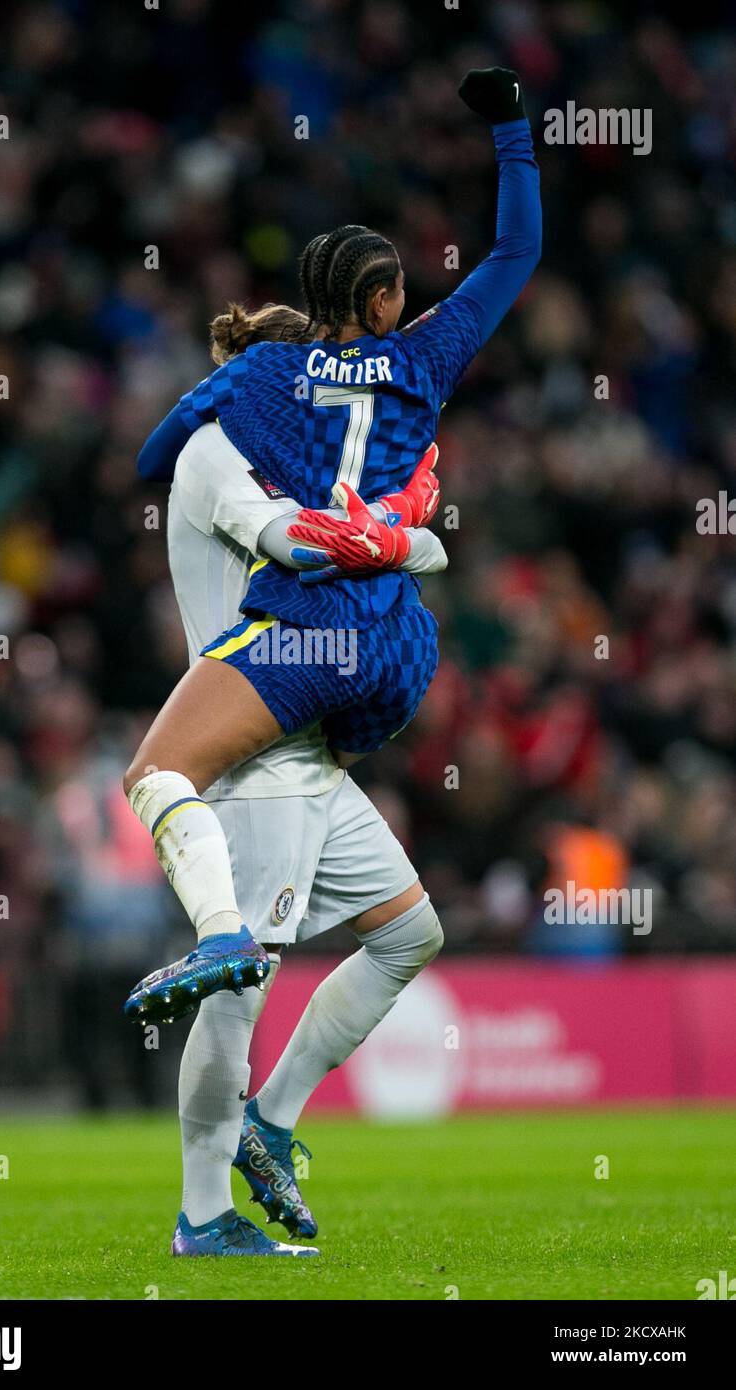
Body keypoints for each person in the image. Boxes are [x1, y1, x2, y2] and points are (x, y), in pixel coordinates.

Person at [123, 69, 541, 1039]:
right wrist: (509, 128)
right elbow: (516, 249)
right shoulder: (423, 359)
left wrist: (230, 420)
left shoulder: (266, 372)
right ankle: (275, 1116)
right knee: (376, 886)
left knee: (170, 774)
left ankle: (229, 933)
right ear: (390, 298)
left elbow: (153, 453)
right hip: (393, 655)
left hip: (301, 635)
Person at [143, 302, 449, 1256]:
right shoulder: (209, 454)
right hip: (253, 757)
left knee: (409, 934)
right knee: (240, 989)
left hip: (307, 748)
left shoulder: (290, 455)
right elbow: (293, 544)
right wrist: (402, 532)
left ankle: (270, 1121)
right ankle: (203, 1216)